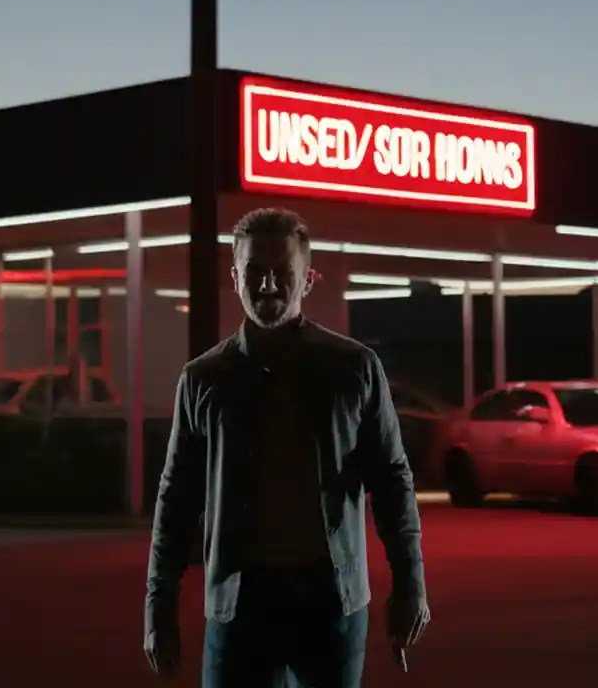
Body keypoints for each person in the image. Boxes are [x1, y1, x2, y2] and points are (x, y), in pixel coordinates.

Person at [144, 207, 429, 686]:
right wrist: (158, 605)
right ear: (235, 277)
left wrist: (411, 585)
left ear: (309, 279)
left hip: (330, 601)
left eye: (284, 273)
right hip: (240, 603)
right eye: (255, 272)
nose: (269, 286)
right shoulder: (202, 380)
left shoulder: (354, 368)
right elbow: (177, 497)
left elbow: (392, 480)